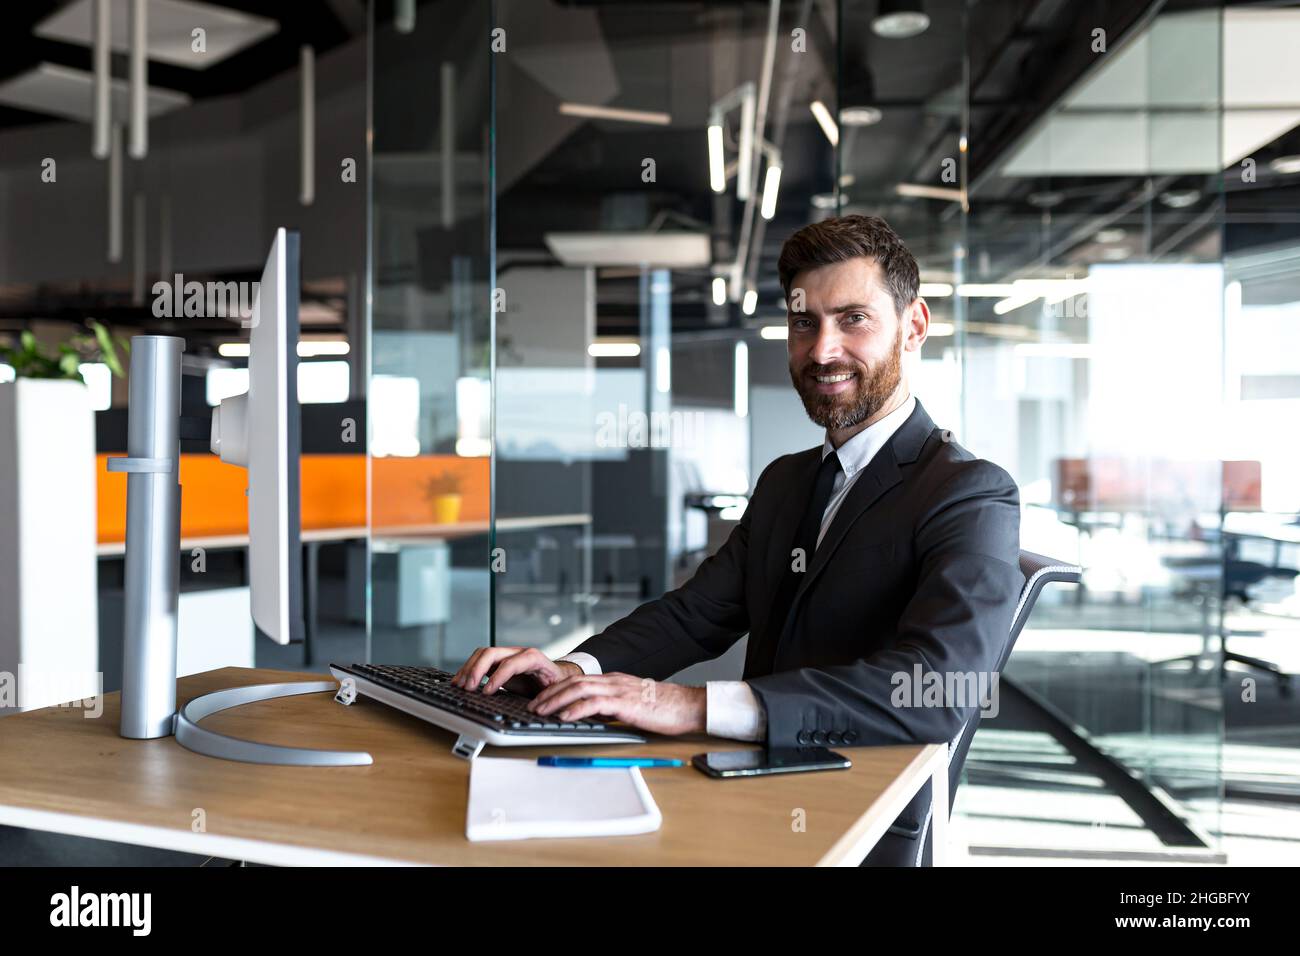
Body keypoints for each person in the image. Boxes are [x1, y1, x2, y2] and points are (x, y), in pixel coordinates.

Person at [454, 214, 1023, 864]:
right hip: (749, 784)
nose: (822, 349)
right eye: (805, 322)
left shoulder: (969, 491)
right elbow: (698, 613)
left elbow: (942, 687)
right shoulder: (788, 480)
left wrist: (693, 705)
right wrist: (575, 670)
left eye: (854, 319)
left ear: (914, 326)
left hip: (857, 812)